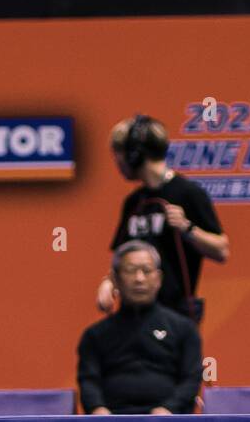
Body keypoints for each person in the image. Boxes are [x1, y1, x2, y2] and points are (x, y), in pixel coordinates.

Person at [95, 115, 228, 322]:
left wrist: (187, 228)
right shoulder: (134, 202)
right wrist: (109, 283)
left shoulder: (187, 193)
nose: (116, 162)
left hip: (176, 318)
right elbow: (122, 255)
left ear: (134, 155)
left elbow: (221, 250)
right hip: (134, 319)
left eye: (119, 153)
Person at [78, 240, 201, 415]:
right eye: (130, 270)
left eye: (146, 271)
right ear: (115, 279)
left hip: (168, 421)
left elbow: (191, 379)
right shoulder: (95, 335)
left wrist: (169, 409)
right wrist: (98, 410)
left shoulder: (184, 329)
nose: (139, 278)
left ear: (158, 278)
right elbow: (89, 381)